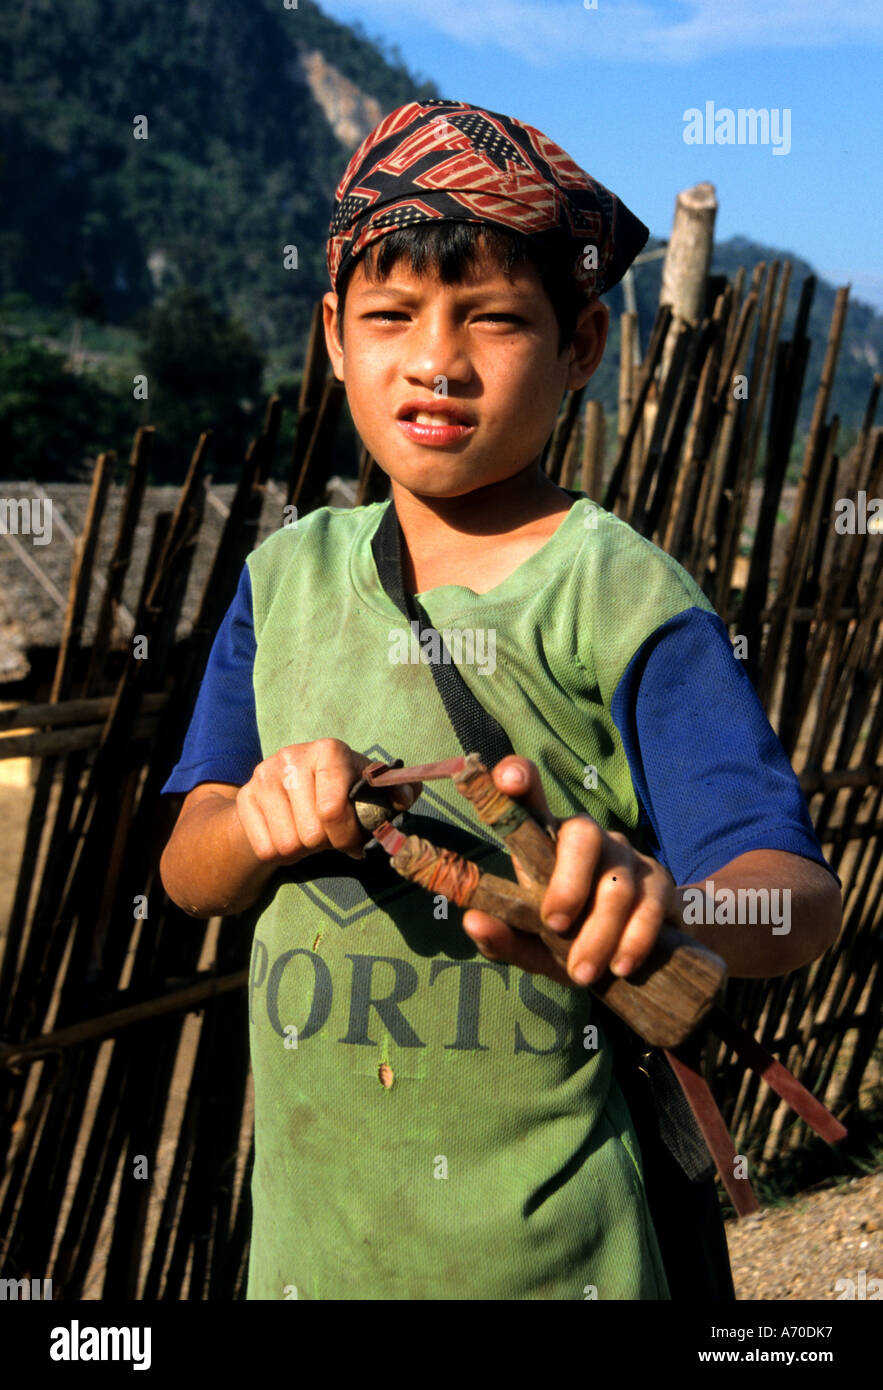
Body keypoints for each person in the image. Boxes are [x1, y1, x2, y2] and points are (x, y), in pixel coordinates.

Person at [159, 99, 841, 1300]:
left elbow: (792, 904)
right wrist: (256, 820)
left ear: (580, 346)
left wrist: (664, 903)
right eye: (390, 316)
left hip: (562, 1261)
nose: (436, 359)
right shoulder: (284, 582)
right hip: (317, 1260)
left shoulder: (620, 596)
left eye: (494, 319)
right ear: (331, 335)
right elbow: (186, 867)